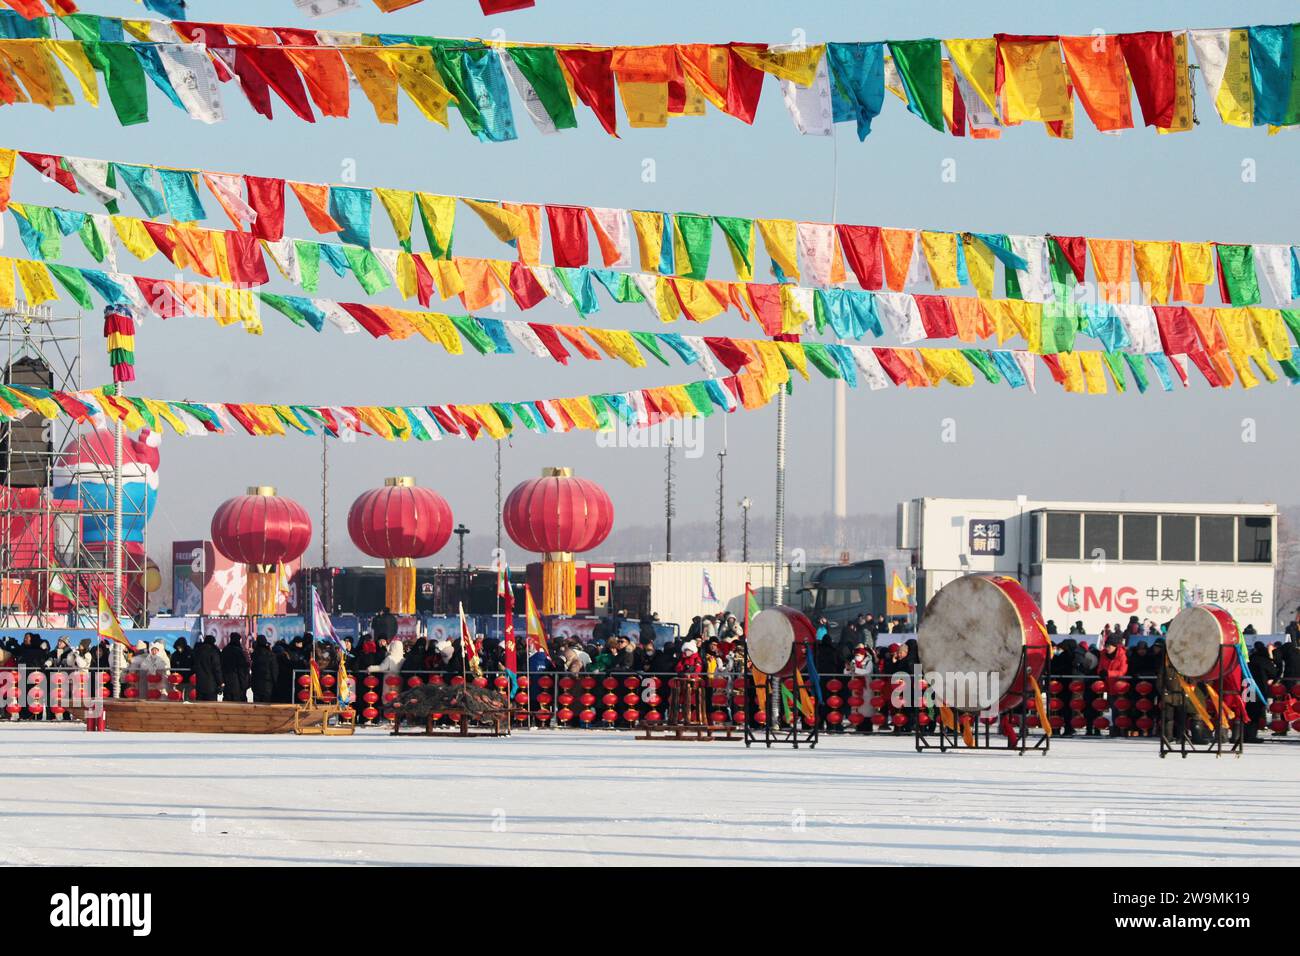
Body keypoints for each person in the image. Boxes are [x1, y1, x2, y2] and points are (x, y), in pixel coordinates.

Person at [220, 633, 251, 703]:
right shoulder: (239, 651)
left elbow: (221, 666)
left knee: (227, 704)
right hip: (237, 684)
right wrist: (244, 684)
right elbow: (242, 670)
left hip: (227, 683)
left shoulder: (225, 650)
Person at [251, 636, 278, 703]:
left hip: (256, 684)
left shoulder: (254, 655)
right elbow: (274, 670)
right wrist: (276, 683)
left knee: (256, 705)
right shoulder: (271, 655)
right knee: (266, 705)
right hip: (267, 684)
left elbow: (253, 669)